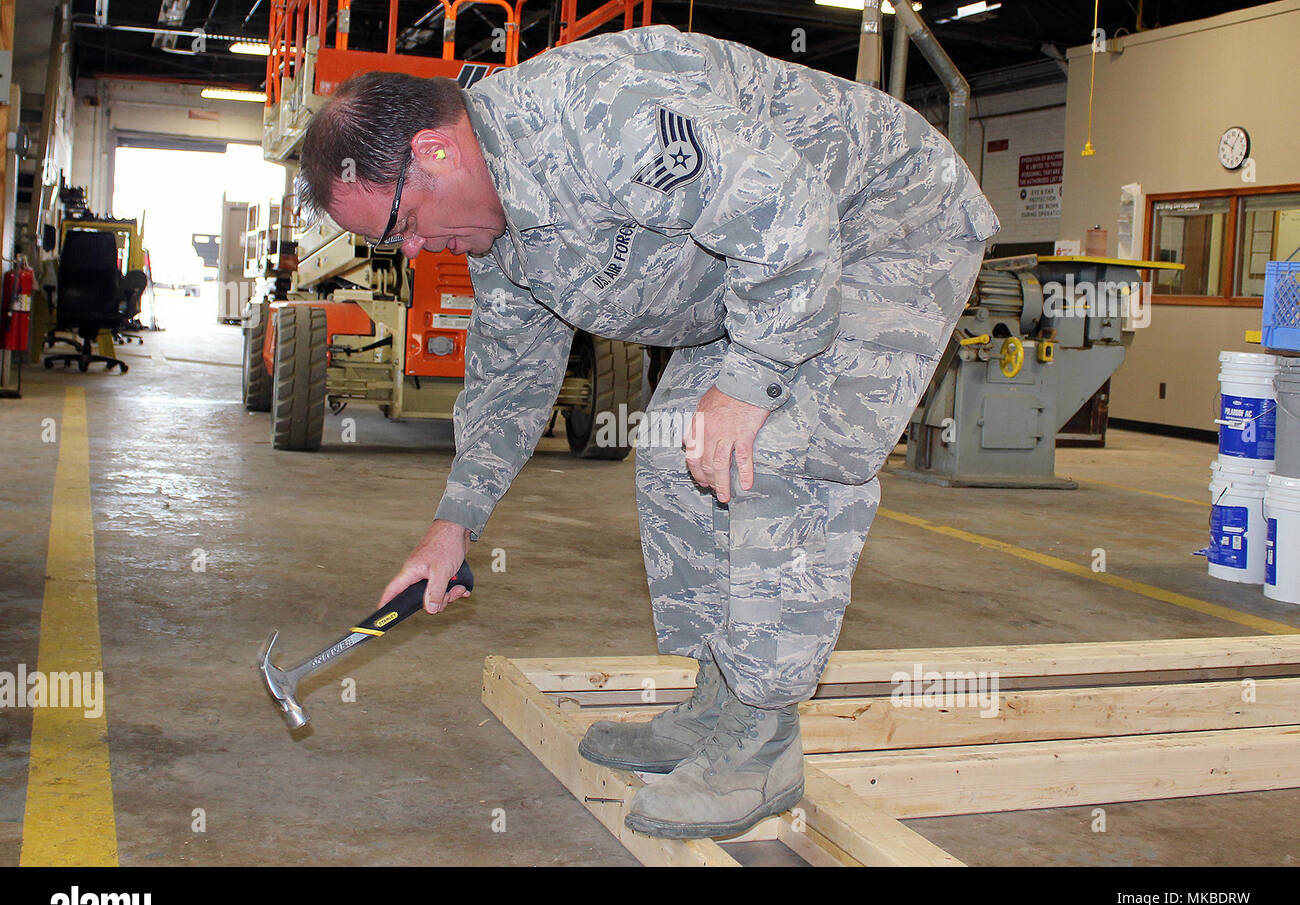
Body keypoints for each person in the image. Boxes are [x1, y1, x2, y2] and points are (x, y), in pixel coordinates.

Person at [297, 24, 998, 840]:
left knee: (772, 453)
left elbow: (787, 214)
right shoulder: (499, 227)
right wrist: (454, 525)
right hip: (762, 271)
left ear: (436, 152)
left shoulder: (603, 115)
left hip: (880, 228)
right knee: (676, 455)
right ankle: (719, 704)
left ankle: (762, 740)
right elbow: (511, 377)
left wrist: (752, 384)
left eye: (402, 224)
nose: (414, 251)